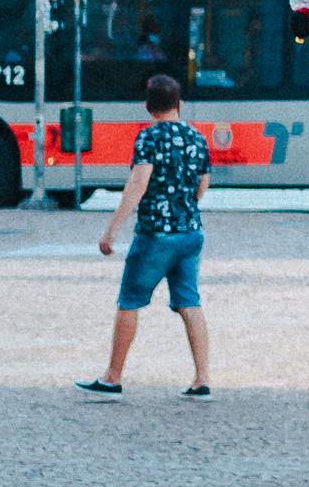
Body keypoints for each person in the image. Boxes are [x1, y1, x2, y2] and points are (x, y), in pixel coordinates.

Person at [82, 74, 215, 399]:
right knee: (189, 302)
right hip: (190, 233)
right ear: (178, 104)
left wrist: (112, 229)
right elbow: (203, 183)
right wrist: (184, 208)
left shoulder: (149, 139)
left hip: (156, 235)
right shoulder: (197, 138)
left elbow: (138, 184)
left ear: (148, 106)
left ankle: (112, 378)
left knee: (129, 301)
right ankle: (202, 379)